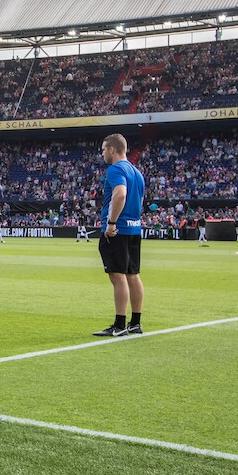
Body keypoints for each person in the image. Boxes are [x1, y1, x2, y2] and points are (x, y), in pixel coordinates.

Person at [94, 133, 146, 337]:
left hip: (118, 230)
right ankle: (135, 322)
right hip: (134, 228)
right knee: (133, 275)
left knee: (118, 276)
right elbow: (139, 202)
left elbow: (120, 194)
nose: (103, 153)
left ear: (113, 149)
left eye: (104, 149)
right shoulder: (137, 172)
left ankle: (119, 325)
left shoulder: (115, 169)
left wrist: (111, 223)